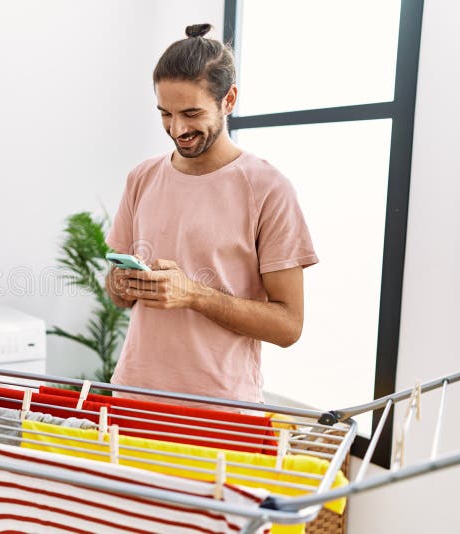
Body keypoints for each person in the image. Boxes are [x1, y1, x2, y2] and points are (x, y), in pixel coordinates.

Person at [105, 23, 318, 408]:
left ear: (229, 99)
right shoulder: (142, 177)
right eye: (165, 114)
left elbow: (289, 326)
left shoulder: (269, 189)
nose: (177, 128)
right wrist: (122, 284)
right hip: (133, 396)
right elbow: (116, 295)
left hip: (220, 410)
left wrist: (194, 295)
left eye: (191, 113)